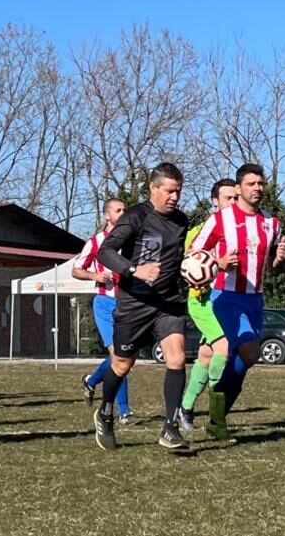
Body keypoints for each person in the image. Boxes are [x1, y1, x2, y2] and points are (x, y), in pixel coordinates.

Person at [94, 163, 192, 451]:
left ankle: (170, 428)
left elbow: (179, 257)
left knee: (176, 360)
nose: (175, 197)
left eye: (179, 191)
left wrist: (192, 270)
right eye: (170, 191)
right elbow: (105, 252)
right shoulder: (135, 217)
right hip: (135, 303)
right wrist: (134, 269)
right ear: (154, 188)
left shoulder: (181, 221)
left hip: (168, 303)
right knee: (123, 363)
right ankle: (105, 411)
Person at [190, 163, 285, 440]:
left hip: (255, 299)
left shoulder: (272, 222)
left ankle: (216, 416)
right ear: (238, 188)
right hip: (226, 297)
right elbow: (194, 254)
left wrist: (278, 259)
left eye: (260, 183)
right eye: (250, 184)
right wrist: (218, 262)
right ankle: (214, 411)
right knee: (250, 351)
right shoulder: (220, 219)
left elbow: (270, 260)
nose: (257, 188)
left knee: (243, 360)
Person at [177, 178, 239, 431]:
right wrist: (216, 265)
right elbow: (186, 266)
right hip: (202, 302)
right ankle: (217, 415)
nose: (233, 203)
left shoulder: (240, 230)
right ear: (215, 201)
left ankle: (185, 408)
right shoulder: (199, 232)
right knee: (223, 350)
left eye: (236, 198)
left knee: (206, 355)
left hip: (226, 302)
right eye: (228, 198)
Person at [72, 198, 136, 424]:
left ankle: (91, 380)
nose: (123, 213)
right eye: (118, 210)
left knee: (125, 356)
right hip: (105, 304)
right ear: (107, 216)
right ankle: (124, 411)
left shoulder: (132, 240)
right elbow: (76, 270)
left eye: (125, 210)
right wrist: (94, 276)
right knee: (119, 355)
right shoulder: (96, 241)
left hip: (128, 304)